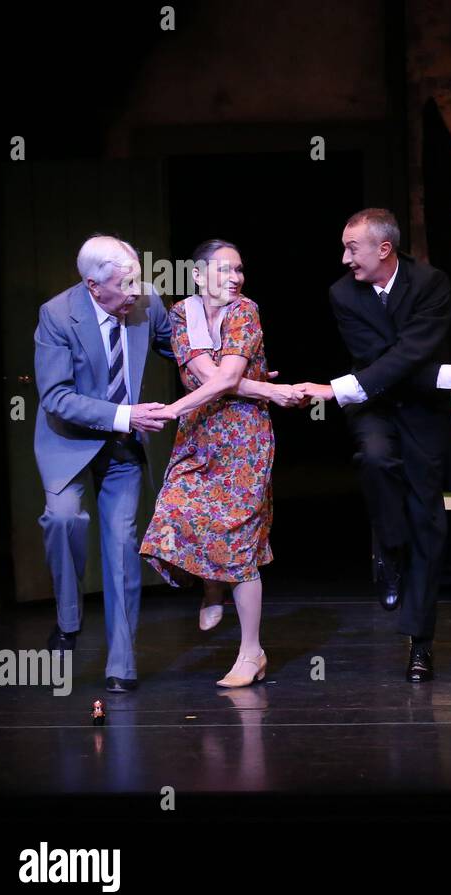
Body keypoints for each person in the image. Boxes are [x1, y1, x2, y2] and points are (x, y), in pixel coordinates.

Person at [294, 208, 451, 683]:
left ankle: (421, 642)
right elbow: (380, 362)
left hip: (422, 410)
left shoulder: (430, 283)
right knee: (373, 458)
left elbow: (410, 355)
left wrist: (338, 387)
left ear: (384, 249)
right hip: (373, 406)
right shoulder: (342, 293)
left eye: (353, 248)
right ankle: (389, 548)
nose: (345, 258)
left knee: (429, 520)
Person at [140, 240, 304, 687]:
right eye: (224, 270)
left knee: (238, 536)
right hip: (200, 430)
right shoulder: (181, 314)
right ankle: (210, 584)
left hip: (243, 436)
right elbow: (206, 375)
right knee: (174, 510)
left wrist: (174, 408)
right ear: (197, 275)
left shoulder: (244, 310)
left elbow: (227, 377)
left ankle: (252, 652)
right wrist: (268, 389)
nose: (235, 278)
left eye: (239, 269)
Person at [33, 236, 175, 693]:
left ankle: (122, 664)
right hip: (70, 440)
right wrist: (124, 414)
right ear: (94, 286)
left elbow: (183, 351)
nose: (136, 289)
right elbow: (55, 397)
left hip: (122, 449)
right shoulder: (57, 315)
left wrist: (240, 372)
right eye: (124, 282)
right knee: (63, 520)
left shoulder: (146, 302)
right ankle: (68, 620)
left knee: (120, 548)